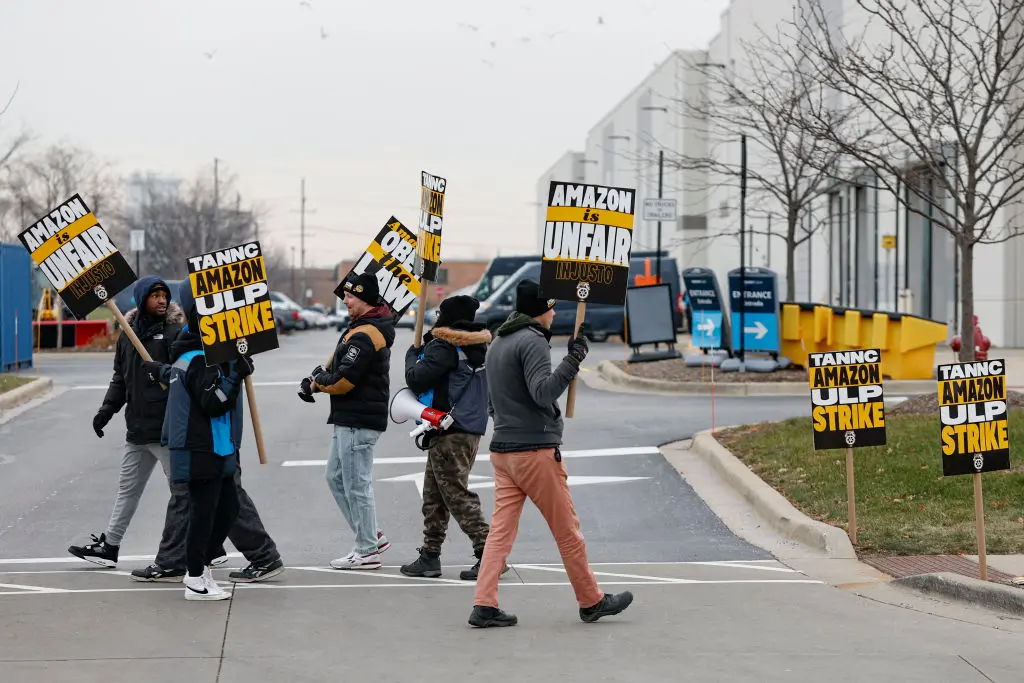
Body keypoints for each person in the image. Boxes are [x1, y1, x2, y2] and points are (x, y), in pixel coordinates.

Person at [468, 279, 634, 628]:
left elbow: (490, 400)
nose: (555, 313)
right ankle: (591, 601)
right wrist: (573, 359)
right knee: (567, 531)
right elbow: (543, 393)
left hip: (503, 452)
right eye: (551, 307)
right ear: (539, 311)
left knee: (499, 533)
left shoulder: (498, 340)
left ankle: (484, 603)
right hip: (535, 453)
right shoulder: (533, 341)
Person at [68, 276, 192, 568]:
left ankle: (210, 547)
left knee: (183, 492)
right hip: (137, 431)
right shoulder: (127, 335)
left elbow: (187, 376)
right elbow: (120, 379)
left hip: (166, 430)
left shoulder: (176, 332)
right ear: (141, 299)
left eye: (164, 295)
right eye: (155, 295)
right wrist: (106, 411)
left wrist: (162, 372)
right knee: (127, 490)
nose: (162, 300)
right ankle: (110, 547)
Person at [145, 279, 251, 600]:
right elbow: (212, 400)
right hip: (198, 446)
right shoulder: (199, 355)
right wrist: (236, 374)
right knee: (204, 514)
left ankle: (200, 566)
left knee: (227, 508)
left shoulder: (195, 352)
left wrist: (159, 370)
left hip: (213, 445)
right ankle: (194, 577)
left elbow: (184, 381)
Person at [399, 294, 507, 581]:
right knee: (435, 494)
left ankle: (490, 555)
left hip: (448, 429)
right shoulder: (482, 345)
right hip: (469, 428)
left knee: (456, 493)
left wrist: (413, 353)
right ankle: (430, 556)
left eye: (439, 314)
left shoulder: (444, 347)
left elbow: (416, 378)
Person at [309, 272, 395, 570]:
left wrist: (318, 381)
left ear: (366, 299)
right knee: (335, 478)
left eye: (350, 296)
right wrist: (321, 377)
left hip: (359, 420)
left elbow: (345, 380)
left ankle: (367, 550)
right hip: (349, 418)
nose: (345, 300)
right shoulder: (360, 329)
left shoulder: (366, 334)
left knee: (357, 485)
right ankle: (371, 536)